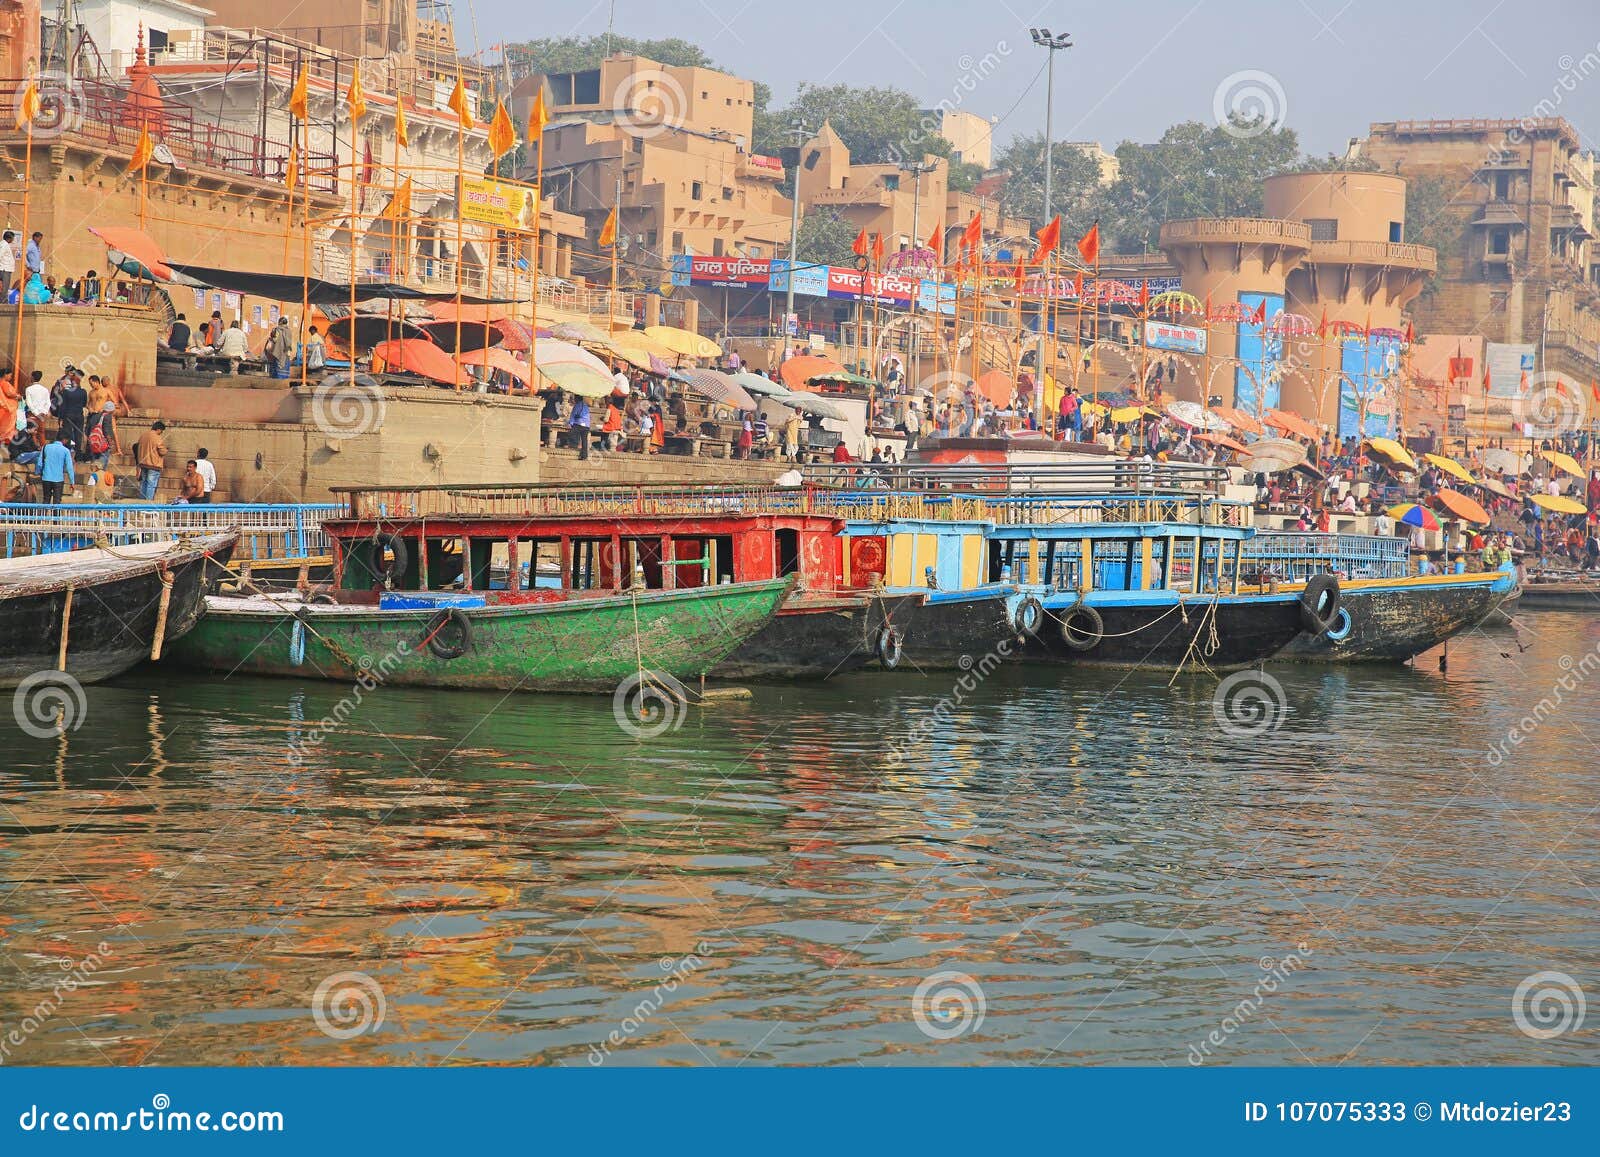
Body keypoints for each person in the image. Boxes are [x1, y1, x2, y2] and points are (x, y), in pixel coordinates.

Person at [55, 371, 87, 452]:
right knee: (78, 434)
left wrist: (61, 418)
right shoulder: (83, 392)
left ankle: (68, 450)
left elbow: (63, 406)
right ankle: (77, 452)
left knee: (68, 433)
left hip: (68, 415)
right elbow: (84, 404)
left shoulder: (66, 392)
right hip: (79, 415)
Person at [135, 419, 167, 500]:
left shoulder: (143, 435)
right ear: (158, 429)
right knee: (151, 485)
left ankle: (142, 502)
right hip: (153, 465)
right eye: (161, 431)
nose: (161, 433)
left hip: (143, 464)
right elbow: (162, 451)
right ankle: (148, 504)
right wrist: (166, 450)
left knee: (144, 483)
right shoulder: (157, 437)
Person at [38, 433, 73, 503]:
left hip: (46, 478)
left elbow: (39, 464)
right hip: (58, 479)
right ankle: (56, 514)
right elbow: (69, 467)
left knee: (46, 499)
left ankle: (43, 514)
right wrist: (72, 482)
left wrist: (39, 473)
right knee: (57, 501)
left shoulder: (45, 447)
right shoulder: (65, 450)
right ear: (64, 440)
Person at [84, 401, 117, 470]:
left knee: (94, 467)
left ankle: (94, 479)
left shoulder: (94, 416)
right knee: (101, 467)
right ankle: (100, 478)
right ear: (111, 410)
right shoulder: (107, 416)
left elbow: (87, 430)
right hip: (103, 445)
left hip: (93, 444)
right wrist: (111, 443)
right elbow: (106, 431)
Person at [568, 395, 591, 460]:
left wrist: (570, 423)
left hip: (579, 424)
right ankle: (584, 455)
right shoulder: (586, 406)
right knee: (584, 440)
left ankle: (573, 445)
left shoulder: (577, 405)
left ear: (577, 399)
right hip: (586, 425)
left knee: (572, 432)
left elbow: (573, 415)